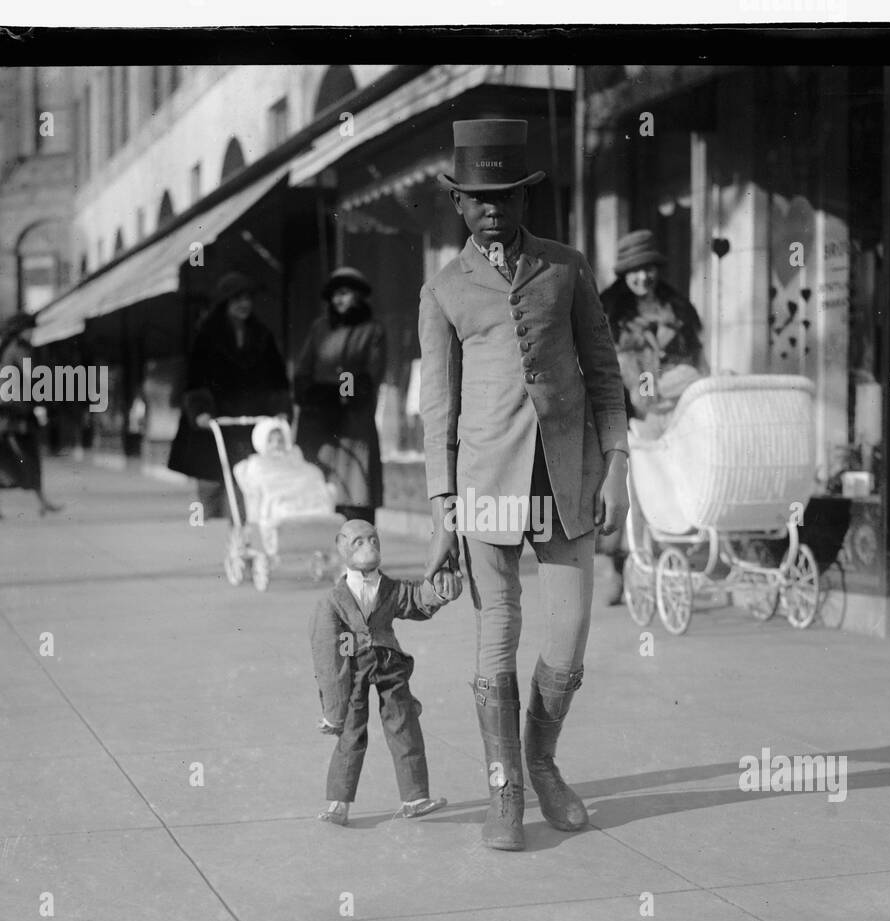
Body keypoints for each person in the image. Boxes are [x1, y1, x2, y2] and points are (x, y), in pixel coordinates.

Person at [419, 118, 630, 852]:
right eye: (478, 198)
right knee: (497, 631)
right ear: (457, 204)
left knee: (568, 640)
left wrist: (618, 465)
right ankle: (504, 786)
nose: (493, 210)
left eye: (505, 195)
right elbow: (437, 408)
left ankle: (542, 758)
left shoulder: (567, 268)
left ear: (523, 196)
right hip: (486, 485)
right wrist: (445, 508)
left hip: (568, 477)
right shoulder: (444, 290)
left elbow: (605, 375)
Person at [309, 519, 461, 827]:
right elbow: (327, 656)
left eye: (374, 540)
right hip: (352, 669)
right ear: (340, 546)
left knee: (404, 724)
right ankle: (339, 803)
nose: (370, 546)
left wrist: (440, 591)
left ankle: (415, 797)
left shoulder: (391, 588)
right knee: (350, 732)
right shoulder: (332, 601)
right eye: (359, 542)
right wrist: (331, 711)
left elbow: (418, 601)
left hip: (391, 665)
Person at [597, 230, 708, 604]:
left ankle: (666, 563)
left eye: (648, 270)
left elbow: (695, 359)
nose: (643, 278)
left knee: (672, 484)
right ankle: (621, 566)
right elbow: (604, 367)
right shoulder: (610, 312)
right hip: (631, 414)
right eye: (634, 271)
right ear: (624, 274)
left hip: (675, 412)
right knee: (633, 488)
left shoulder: (676, 308)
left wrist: (688, 386)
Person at [167, 271, 293, 518]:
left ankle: (240, 543)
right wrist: (200, 410)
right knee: (211, 483)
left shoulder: (262, 336)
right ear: (225, 302)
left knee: (246, 485)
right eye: (237, 299)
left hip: (248, 422)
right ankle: (210, 545)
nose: (244, 304)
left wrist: (279, 408)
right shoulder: (206, 336)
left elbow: (276, 378)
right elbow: (194, 378)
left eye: (247, 298)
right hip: (214, 422)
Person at [293, 267, 386, 526]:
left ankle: (360, 556)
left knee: (357, 494)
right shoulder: (319, 328)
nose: (339, 300)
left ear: (358, 295)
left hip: (354, 422)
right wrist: (314, 396)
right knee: (323, 494)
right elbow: (304, 369)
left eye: (344, 293)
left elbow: (372, 372)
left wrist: (344, 393)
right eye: (335, 295)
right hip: (321, 424)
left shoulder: (372, 330)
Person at [0, 311, 62, 520]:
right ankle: (43, 503)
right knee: (29, 454)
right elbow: (33, 377)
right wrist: (40, 404)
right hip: (15, 410)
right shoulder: (22, 349)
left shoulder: (4, 349)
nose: (33, 333)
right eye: (31, 329)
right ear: (22, 331)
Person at [232, 417, 334, 556]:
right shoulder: (257, 464)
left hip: (298, 496)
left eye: (280, 441)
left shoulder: (293, 459)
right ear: (261, 442)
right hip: (276, 500)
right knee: (281, 504)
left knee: (316, 483)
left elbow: (309, 475)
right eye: (270, 441)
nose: (276, 445)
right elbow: (261, 482)